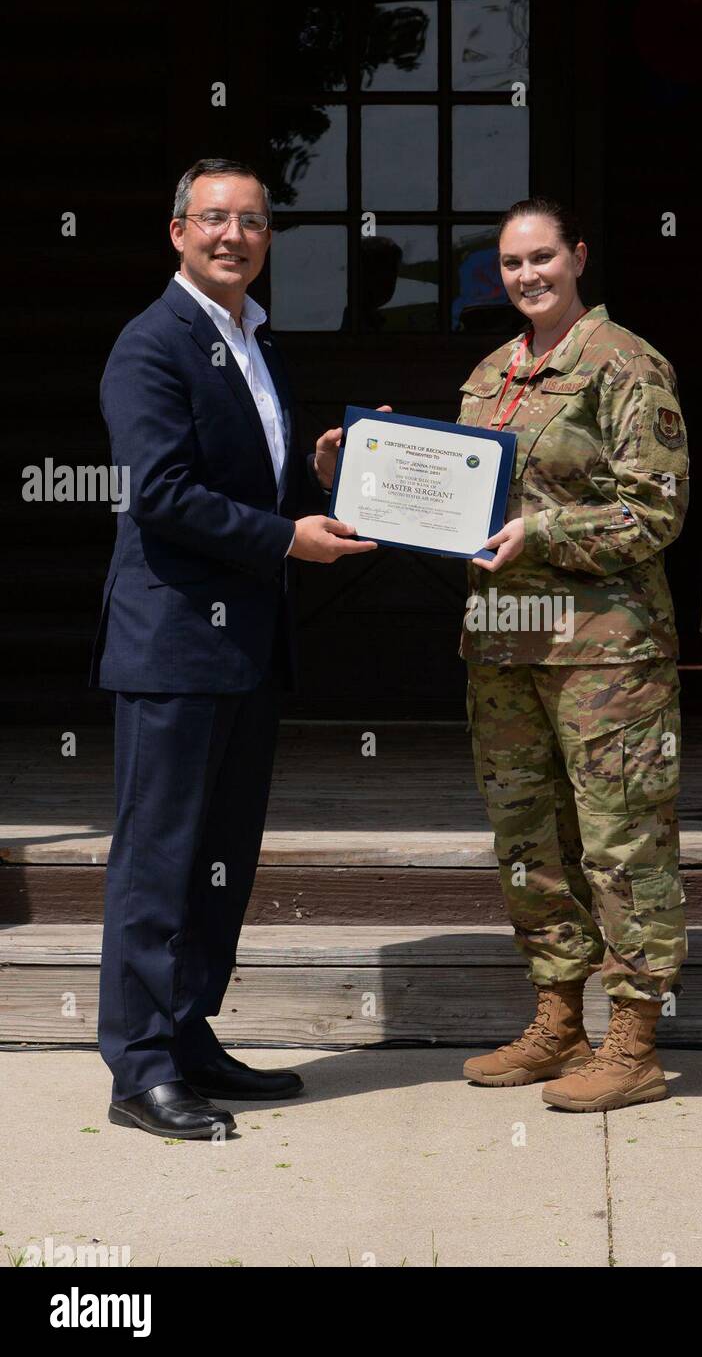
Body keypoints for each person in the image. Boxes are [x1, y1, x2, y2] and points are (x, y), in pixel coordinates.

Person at [91, 158, 376, 1139]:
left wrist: (318, 471)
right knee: (159, 859)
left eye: (251, 221)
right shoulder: (150, 345)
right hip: (172, 646)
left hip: (244, 649)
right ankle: (139, 1069)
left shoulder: (252, 338)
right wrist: (287, 537)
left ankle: (187, 1034)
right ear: (177, 232)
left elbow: (238, 475)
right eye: (214, 219)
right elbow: (163, 494)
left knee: (220, 856)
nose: (233, 236)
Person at [458, 197, 690, 1112]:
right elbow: (459, 504)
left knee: (622, 843)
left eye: (543, 257)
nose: (527, 276)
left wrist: (541, 530)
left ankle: (634, 1040)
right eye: (512, 263)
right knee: (528, 838)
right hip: (504, 652)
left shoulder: (625, 364)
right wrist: (358, 469)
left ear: (578, 257)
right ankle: (559, 1020)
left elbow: (657, 510)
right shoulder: (487, 376)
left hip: (606, 658)